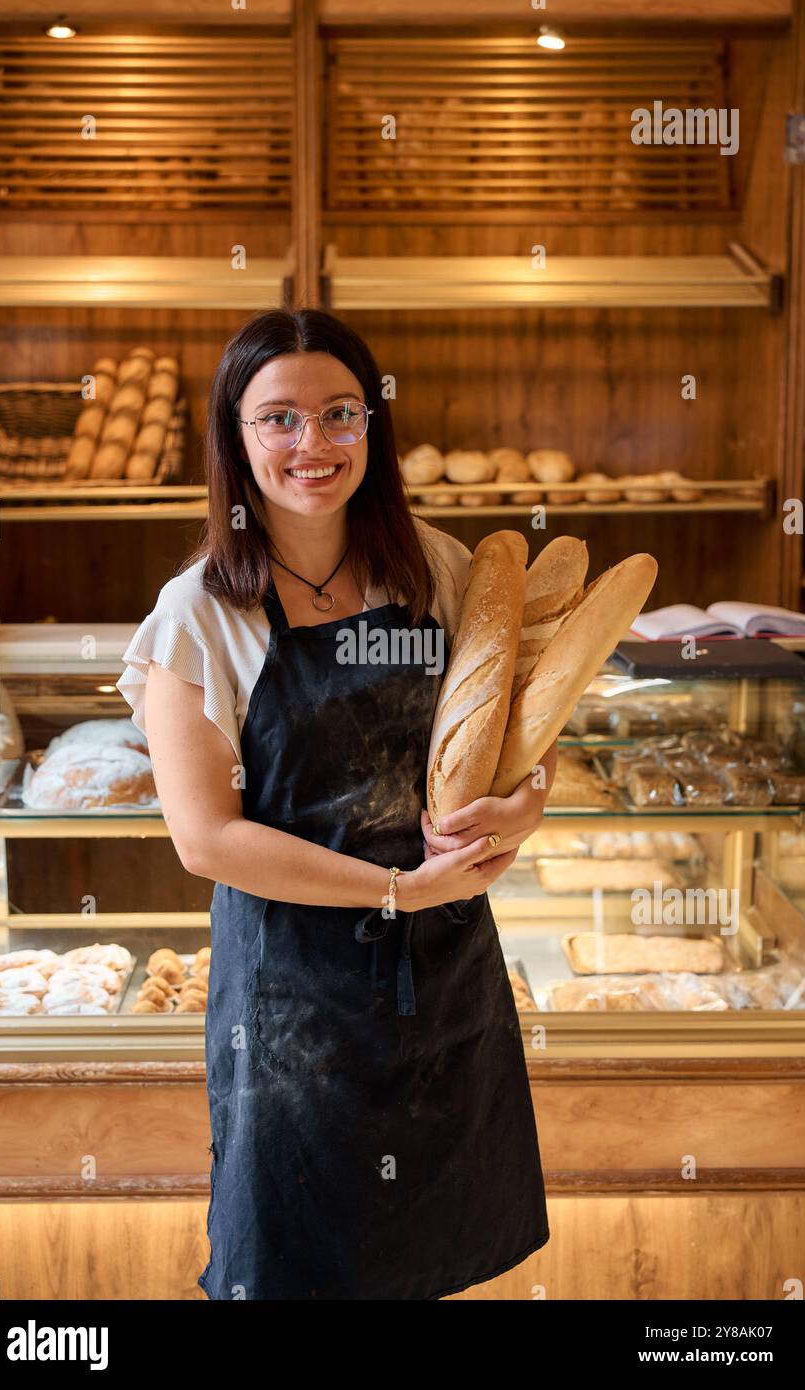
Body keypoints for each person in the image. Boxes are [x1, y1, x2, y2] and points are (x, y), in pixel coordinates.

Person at [116, 308, 556, 1300]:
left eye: (338, 413)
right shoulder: (198, 615)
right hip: (289, 1014)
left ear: (373, 426)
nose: (311, 443)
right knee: (292, 1266)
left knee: (432, 1262)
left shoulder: (438, 572)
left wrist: (522, 808)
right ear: (234, 438)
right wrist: (398, 886)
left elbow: (526, 740)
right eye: (277, 419)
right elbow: (205, 838)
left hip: (442, 984)